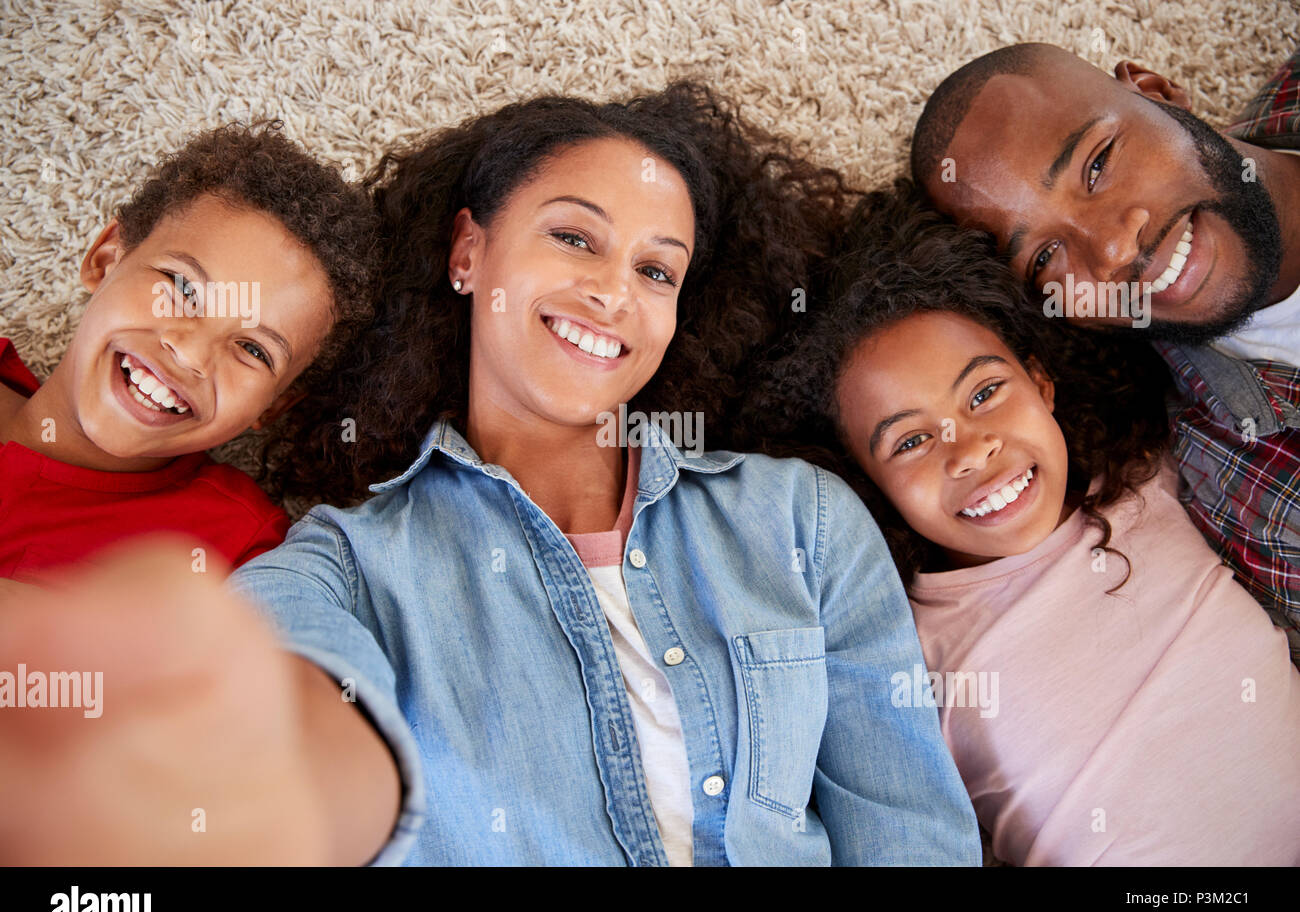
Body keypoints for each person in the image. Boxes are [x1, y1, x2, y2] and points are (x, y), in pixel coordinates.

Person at [0, 84, 980, 866]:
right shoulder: (343, 560)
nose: (611, 289)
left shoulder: (802, 521)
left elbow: (911, 831)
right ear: (469, 251)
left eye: (656, 270)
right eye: (574, 235)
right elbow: (312, 760)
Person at [747, 186, 1300, 865]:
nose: (972, 449)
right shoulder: (901, 649)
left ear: (1042, 383)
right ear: (867, 483)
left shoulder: (1151, 473)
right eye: (910, 442)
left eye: (985, 394)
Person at [911, 42, 1300, 645]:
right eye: (1045, 256)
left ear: (1155, 88)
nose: (1114, 251)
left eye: (1096, 166)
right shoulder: (1253, 490)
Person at [0, 121, 378, 584]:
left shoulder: (236, 551)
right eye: (182, 287)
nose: (191, 352)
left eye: (253, 350)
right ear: (105, 261)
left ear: (275, 404)